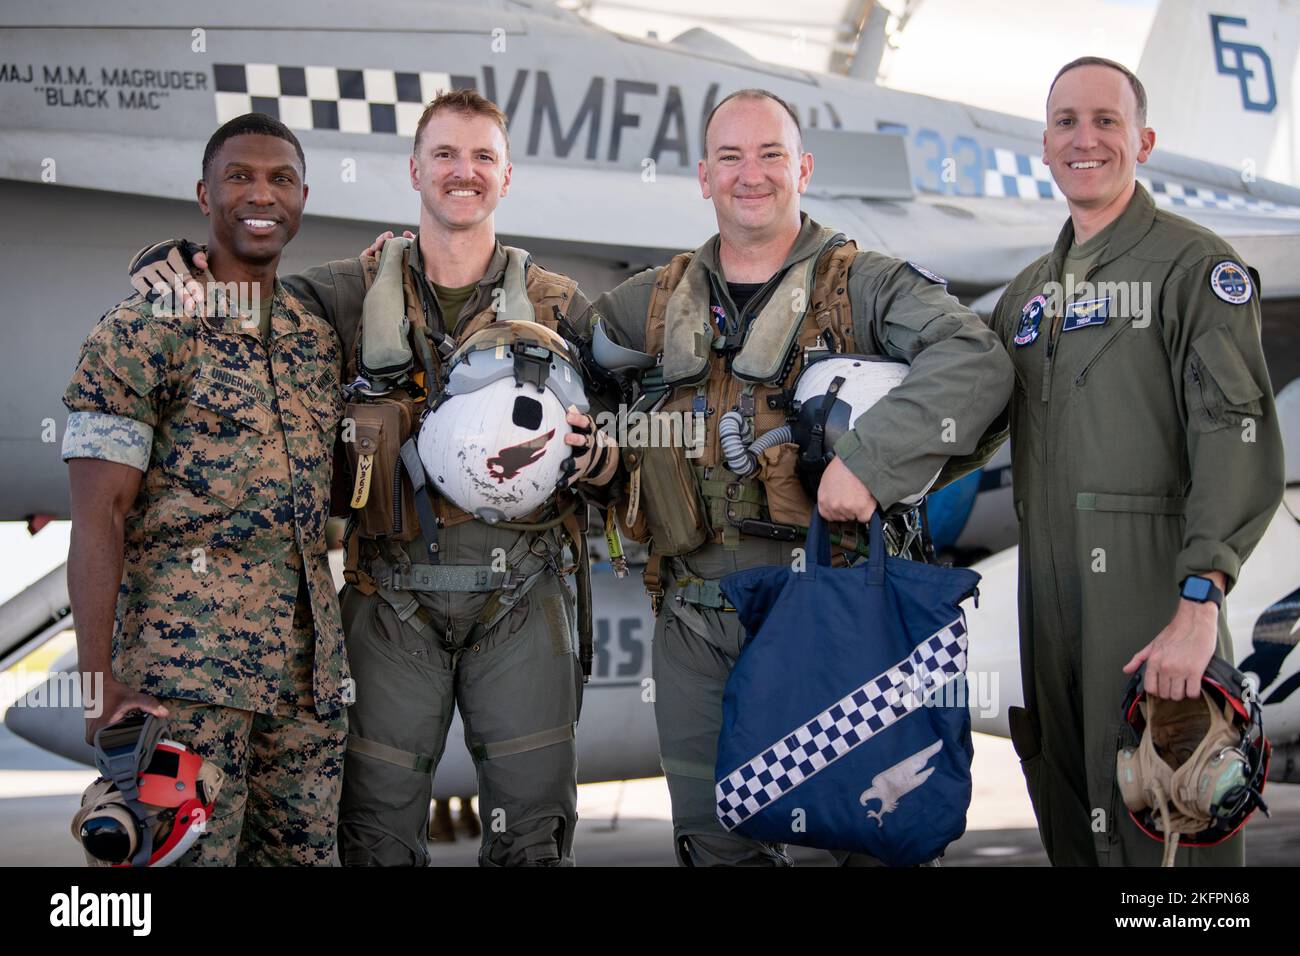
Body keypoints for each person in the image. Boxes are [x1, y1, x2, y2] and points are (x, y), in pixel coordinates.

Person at [130, 91, 617, 867]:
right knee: (374, 838)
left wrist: (602, 455)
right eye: (447, 156)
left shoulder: (560, 306)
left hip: (524, 596)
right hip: (391, 600)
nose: (465, 173)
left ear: (507, 175)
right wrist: (170, 262)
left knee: (532, 836)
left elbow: (625, 437)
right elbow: (244, 299)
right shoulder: (348, 293)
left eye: (482, 157)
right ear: (416, 170)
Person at [591, 89, 1012, 866]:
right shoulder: (653, 302)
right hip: (698, 618)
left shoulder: (866, 286)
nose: (751, 174)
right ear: (703, 175)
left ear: (803, 168)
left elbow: (976, 361)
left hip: (838, 606)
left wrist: (870, 460)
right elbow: (568, 355)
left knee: (867, 836)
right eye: (731, 156)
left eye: (771, 154)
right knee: (716, 847)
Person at [958, 57, 1285, 866]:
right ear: (1043, 145)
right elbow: (968, 428)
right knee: (1072, 810)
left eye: (1106, 121)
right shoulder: (1027, 297)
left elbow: (1235, 438)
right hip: (1049, 598)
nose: (1085, 138)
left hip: (1153, 593)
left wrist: (1198, 604)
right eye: (1066, 122)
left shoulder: (1193, 270)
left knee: (1170, 812)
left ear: (1141, 139)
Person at [64, 113, 351, 866]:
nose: (262, 194)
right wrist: (100, 684)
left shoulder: (315, 341)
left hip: (306, 691)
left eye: (280, 178)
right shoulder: (140, 333)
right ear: (204, 193)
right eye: (240, 176)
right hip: (183, 689)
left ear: (303, 197)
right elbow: (99, 516)